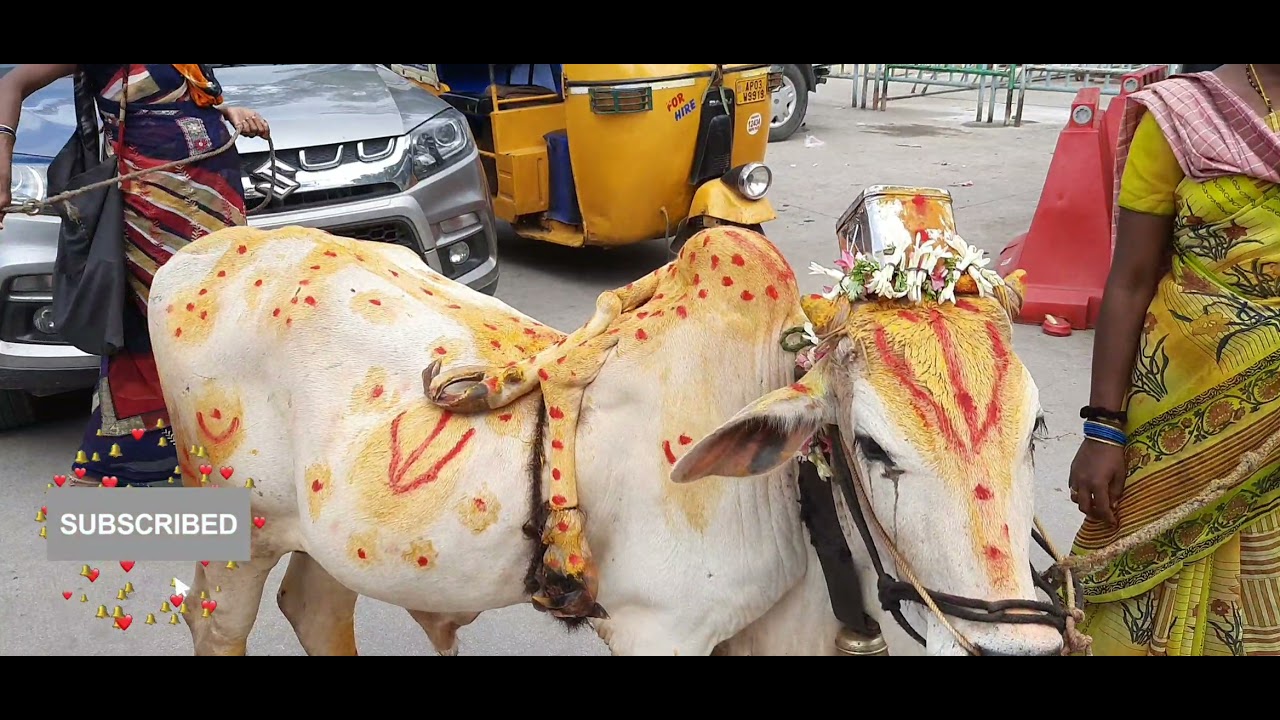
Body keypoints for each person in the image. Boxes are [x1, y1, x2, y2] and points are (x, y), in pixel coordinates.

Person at [1067, 64, 1280, 655]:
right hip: (1179, 412)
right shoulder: (1182, 114)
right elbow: (1130, 281)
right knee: (1143, 583)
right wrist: (1102, 429)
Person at [0, 64, 270, 487]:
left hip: (214, 197)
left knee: (218, 324)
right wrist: (1, 162)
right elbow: (12, 83)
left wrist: (226, 112)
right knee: (158, 328)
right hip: (152, 212)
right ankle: (112, 472)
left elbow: (180, 102)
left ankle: (218, 451)